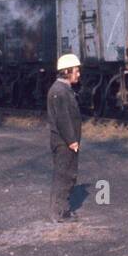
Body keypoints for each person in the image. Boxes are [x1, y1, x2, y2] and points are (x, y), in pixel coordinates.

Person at [47, 53, 83, 222]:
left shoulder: (63, 90)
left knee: (68, 175)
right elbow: (62, 119)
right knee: (63, 176)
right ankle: (58, 213)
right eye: (76, 70)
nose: (79, 74)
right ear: (67, 71)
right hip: (64, 143)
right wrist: (72, 141)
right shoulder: (59, 91)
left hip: (66, 143)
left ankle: (64, 210)